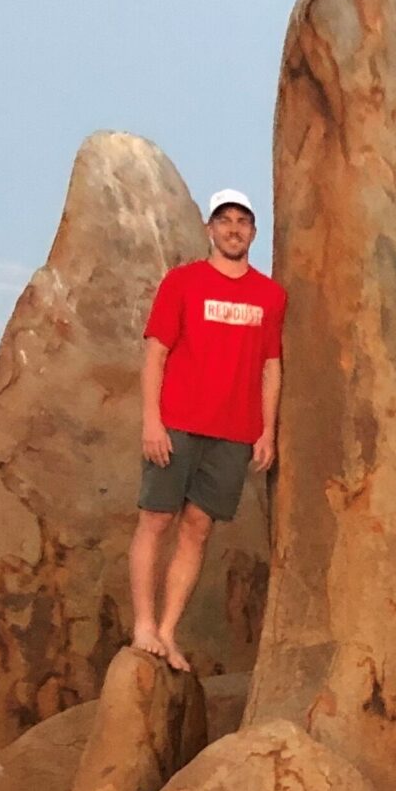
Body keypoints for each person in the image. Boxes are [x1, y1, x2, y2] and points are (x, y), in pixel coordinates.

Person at [129, 189, 283, 673]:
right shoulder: (183, 282)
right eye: (225, 220)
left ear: (253, 232)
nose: (234, 229)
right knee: (156, 521)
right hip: (178, 424)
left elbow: (271, 366)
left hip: (234, 432)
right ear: (210, 228)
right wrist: (152, 420)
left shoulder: (269, 295)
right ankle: (143, 625)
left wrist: (267, 431)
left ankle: (169, 632)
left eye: (243, 221)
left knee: (198, 529)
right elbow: (156, 352)